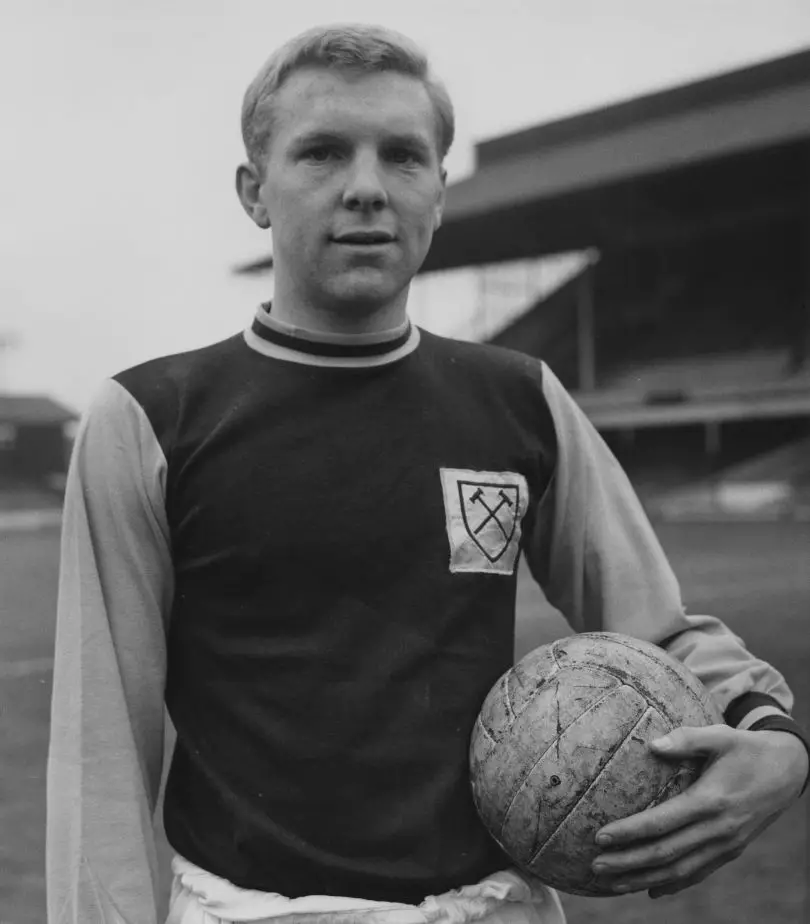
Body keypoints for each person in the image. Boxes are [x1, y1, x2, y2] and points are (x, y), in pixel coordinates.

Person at [46, 22, 809, 924]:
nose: (365, 188)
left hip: (488, 906)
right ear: (255, 191)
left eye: (403, 157)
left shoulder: (520, 399)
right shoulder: (149, 418)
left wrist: (774, 735)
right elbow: (101, 757)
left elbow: (659, 631)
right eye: (323, 153)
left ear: (439, 192)